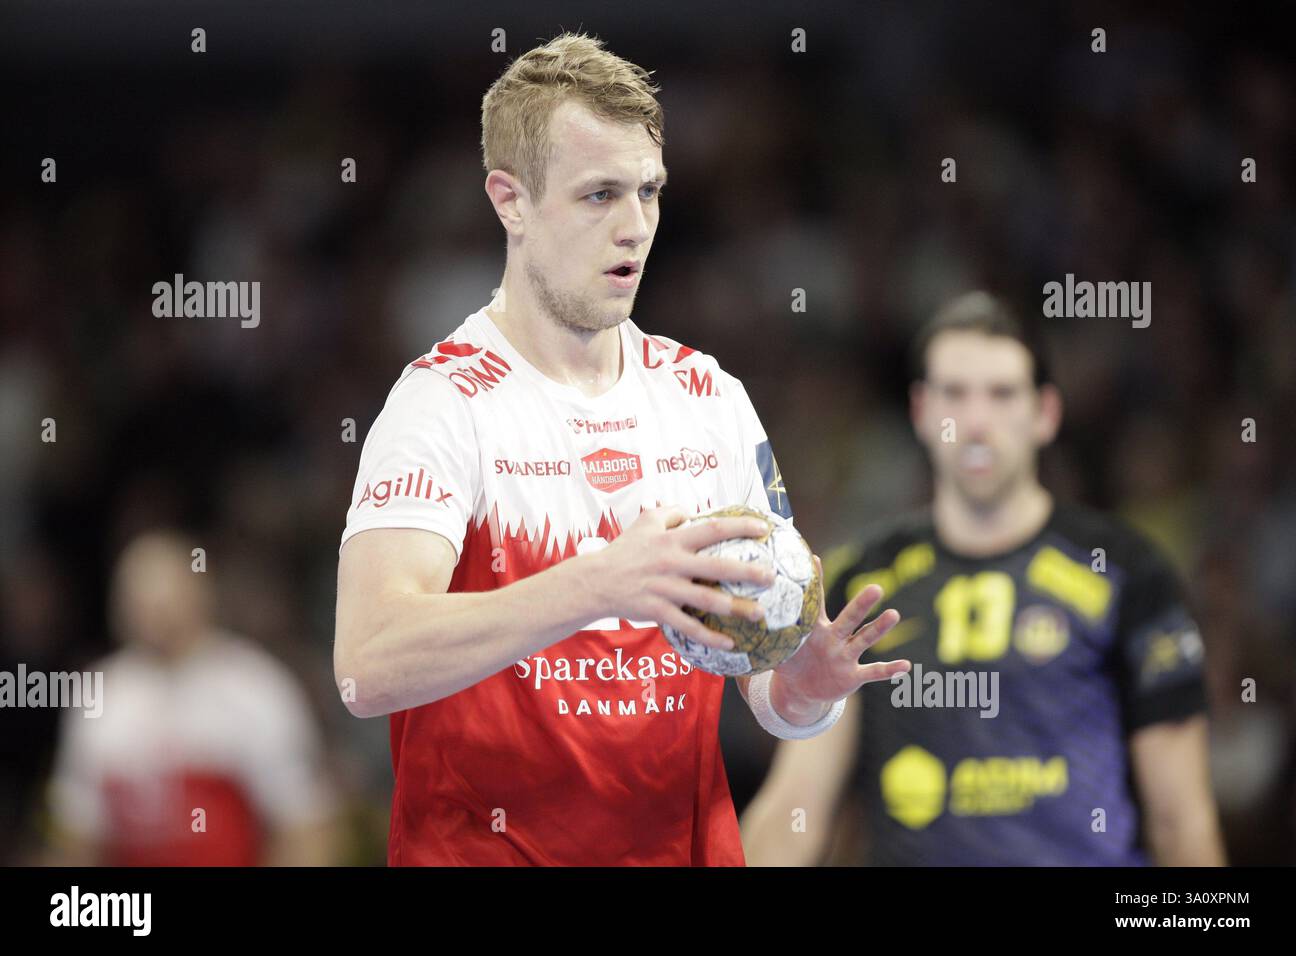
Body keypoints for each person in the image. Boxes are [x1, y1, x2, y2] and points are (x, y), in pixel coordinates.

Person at [333, 32, 909, 866]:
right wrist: (599, 581)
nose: (635, 227)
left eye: (649, 191)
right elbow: (367, 664)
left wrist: (802, 692)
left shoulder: (708, 397)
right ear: (511, 201)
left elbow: (762, 677)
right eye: (599, 195)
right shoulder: (442, 403)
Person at [741, 291, 1226, 866]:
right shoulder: (857, 581)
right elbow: (796, 808)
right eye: (953, 393)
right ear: (920, 410)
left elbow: (1181, 820)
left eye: (1001, 394)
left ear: (1046, 413)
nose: (975, 421)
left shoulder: (1126, 570)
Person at [47, 530, 340, 866]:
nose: (155, 614)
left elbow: (306, 826)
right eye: (141, 600)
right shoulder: (100, 695)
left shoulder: (255, 688)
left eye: (166, 597)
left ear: (199, 592)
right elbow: (77, 835)